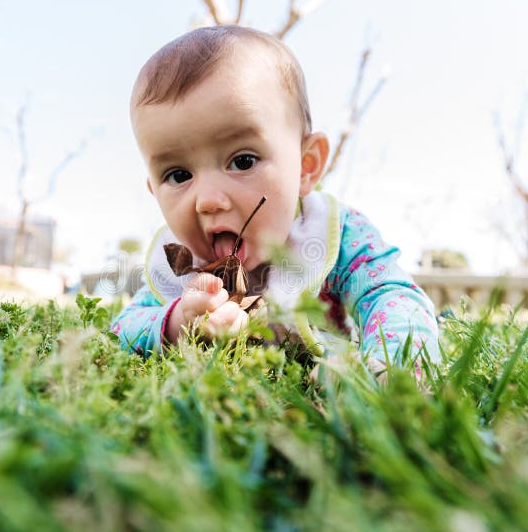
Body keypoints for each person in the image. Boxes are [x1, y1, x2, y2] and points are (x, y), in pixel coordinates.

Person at [111, 25, 439, 369]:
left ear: (305, 167)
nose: (207, 200)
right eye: (178, 175)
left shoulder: (336, 234)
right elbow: (122, 328)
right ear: (154, 190)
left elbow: (392, 295)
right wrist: (177, 321)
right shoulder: (181, 267)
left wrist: (396, 367)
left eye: (243, 161)